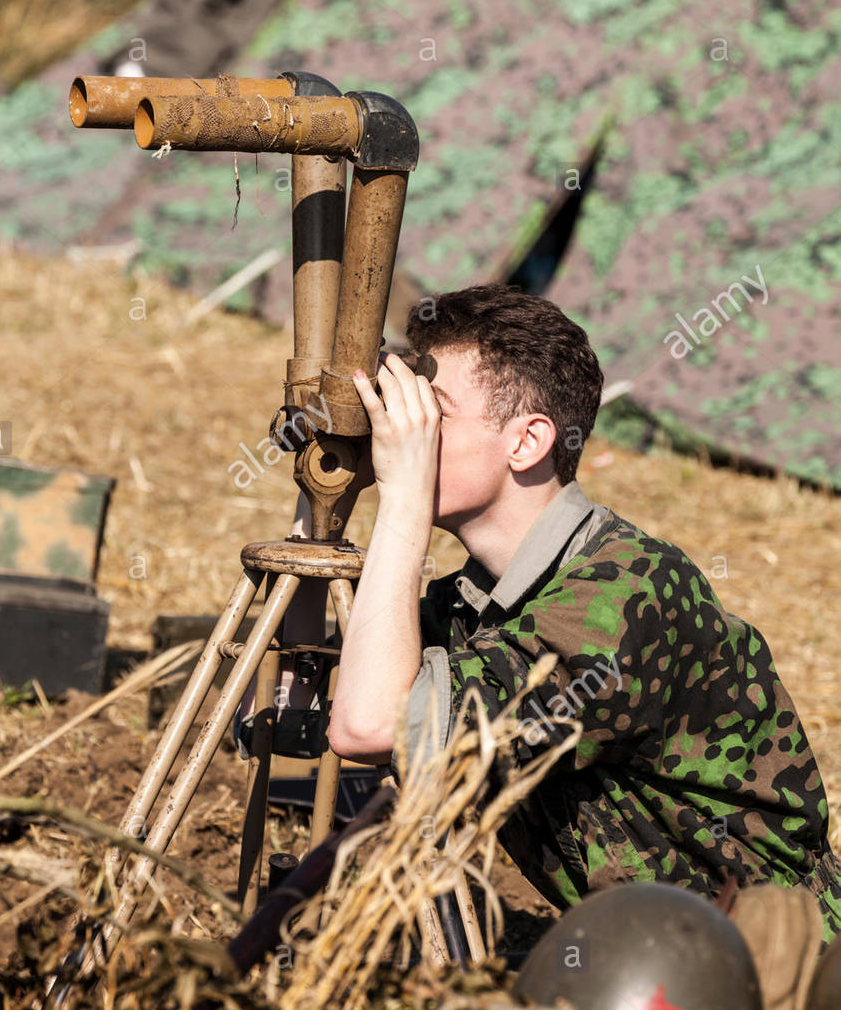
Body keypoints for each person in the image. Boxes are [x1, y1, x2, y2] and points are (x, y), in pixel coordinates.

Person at [327, 284, 841, 943]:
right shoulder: (472, 606)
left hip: (785, 983)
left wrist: (399, 505)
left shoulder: (624, 598)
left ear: (528, 442)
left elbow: (371, 727)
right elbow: (314, 688)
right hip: (661, 965)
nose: (407, 432)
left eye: (435, 412)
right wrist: (326, 492)